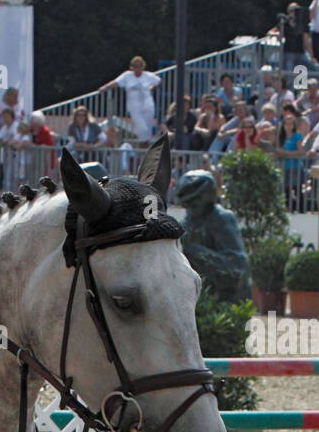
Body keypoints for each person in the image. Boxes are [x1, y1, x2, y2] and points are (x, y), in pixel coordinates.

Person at [172, 170, 251, 302]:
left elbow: (238, 270)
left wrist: (195, 251)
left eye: (194, 202)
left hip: (227, 302)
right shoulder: (187, 223)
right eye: (187, 204)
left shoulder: (221, 219)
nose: (190, 208)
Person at [100, 56, 161, 141]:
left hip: (148, 105)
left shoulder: (148, 75)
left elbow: (158, 81)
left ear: (142, 66)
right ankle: (143, 148)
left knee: (147, 130)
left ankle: (145, 148)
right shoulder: (127, 75)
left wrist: (151, 87)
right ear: (132, 67)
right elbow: (116, 82)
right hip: (134, 107)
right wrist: (105, 87)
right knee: (142, 129)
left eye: (139, 66)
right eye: (135, 66)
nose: (137, 68)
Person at [272, 2, 310, 74]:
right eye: (291, 11)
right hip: (288, 52)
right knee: (289, 70)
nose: (293, 13)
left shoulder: (302, 23)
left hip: (300, 52)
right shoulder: (284, 23)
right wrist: (278, 34)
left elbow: (306, 40)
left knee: (313, 68)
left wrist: (312, 55)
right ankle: (290, 84)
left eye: (296, 10)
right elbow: (271, 32)